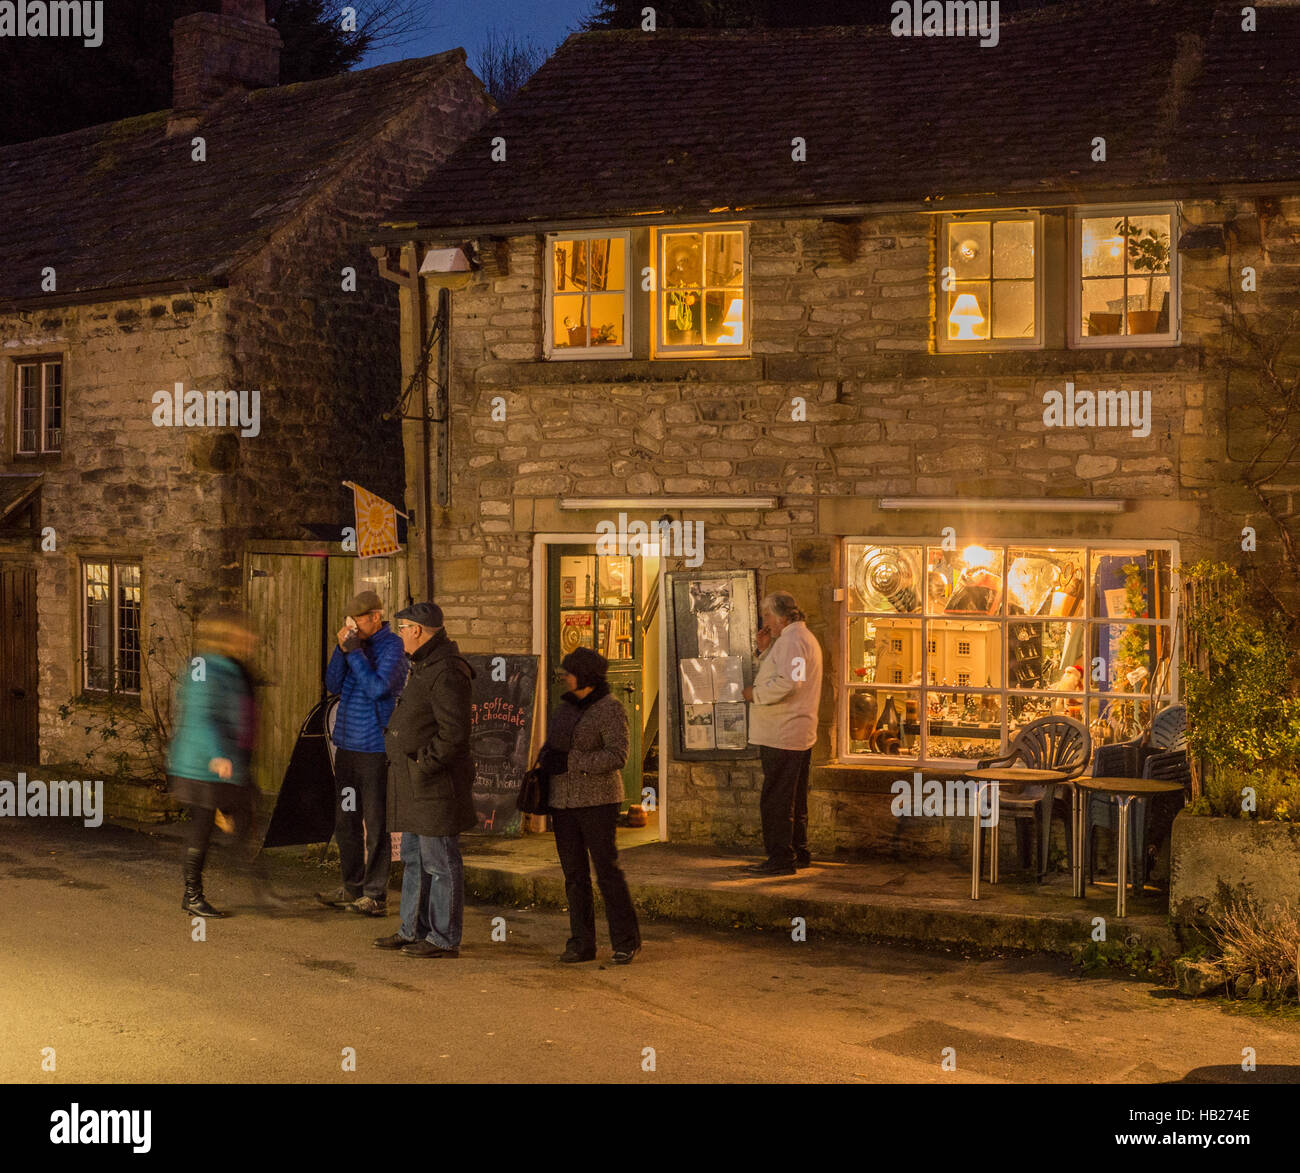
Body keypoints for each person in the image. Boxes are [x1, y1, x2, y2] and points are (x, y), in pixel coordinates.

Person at [372, 602, 476, 959]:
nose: (400, 635)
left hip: (435, 787)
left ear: (416, 630)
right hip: (416, 786)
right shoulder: (426, 664)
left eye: (402, 629)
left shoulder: (446, 670)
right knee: (415, 859)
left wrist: (425, 764)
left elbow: (454, 732)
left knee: (440, 863)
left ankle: (443, 938)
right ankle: (412, 930)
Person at [167, 607, 274, 917]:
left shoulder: (231, 668)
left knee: (244, 819)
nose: (251, 638)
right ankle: (192, 895)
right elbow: (201, 716)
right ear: (228, 635)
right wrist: (217, 755)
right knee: (202, 826)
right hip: (202, 764)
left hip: (226, 763)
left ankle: (262, 892)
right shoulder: (203, 668)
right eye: (245, 633)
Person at [542, 647, 641, 964]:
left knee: (607, 871)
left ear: (584, 676)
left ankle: (625, 940)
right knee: (574, 875)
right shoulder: (565, 708)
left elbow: (617, 755)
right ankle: (581, 942)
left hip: (598, 801)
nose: (565, 677)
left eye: (570, 672)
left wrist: (573, 761)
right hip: (563, 801)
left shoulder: (609, 709)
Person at [316, 590, 408, 917]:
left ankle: (375, 895)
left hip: (375, 751)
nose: (354, 627)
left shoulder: (393, 647)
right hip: (347, 749)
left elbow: (378, 688)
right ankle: (352, 886)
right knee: (347, 821)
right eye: (350, 622)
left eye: (358, 621)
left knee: (376, 823)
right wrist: (341, 650)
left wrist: (354, 652)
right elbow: (333, 684)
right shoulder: (355, 646)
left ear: (374, 617)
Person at [742, 591, 824, 876]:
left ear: (780, 616)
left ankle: (780, 857)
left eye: (767, 615)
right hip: (795, 731)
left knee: (776, 799)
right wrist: (764, 651)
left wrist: (755, 694)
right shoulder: (797, 639)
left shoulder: (792, 641)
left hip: (783, 732)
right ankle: (798, 851)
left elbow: (790, 682)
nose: (764, 622)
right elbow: (786, 674)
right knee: (793, 797)